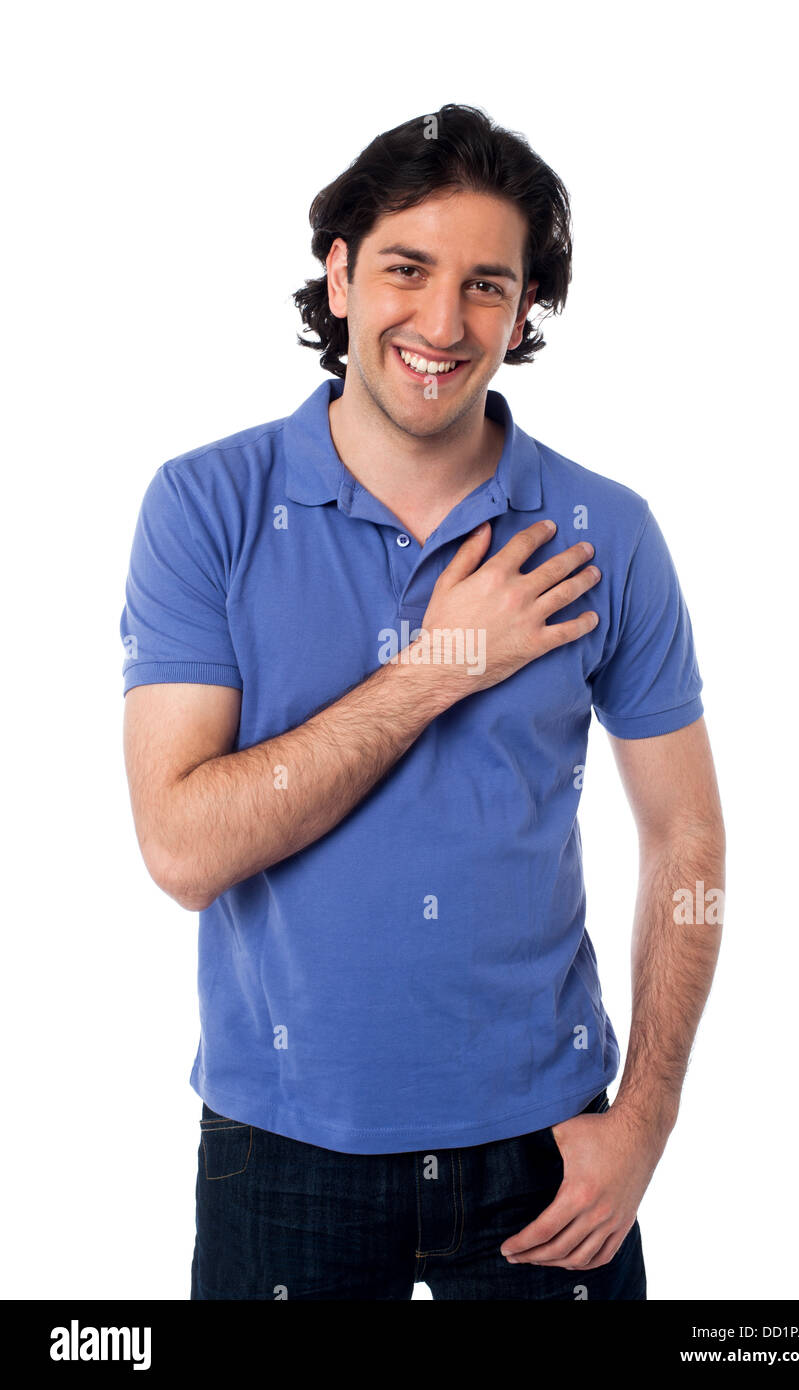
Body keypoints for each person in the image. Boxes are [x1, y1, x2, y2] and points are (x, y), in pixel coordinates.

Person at [120, 104, 724, 1301]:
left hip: (550, 1158)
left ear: (524, 309)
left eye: (487, 285)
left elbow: (686, 837)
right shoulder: (206, 507)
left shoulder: (607, 530)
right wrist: (441, 663)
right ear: (338, 275)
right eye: (407, 269)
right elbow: (183, 848)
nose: (443, 325)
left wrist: (644, 1119)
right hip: (279, 1154)